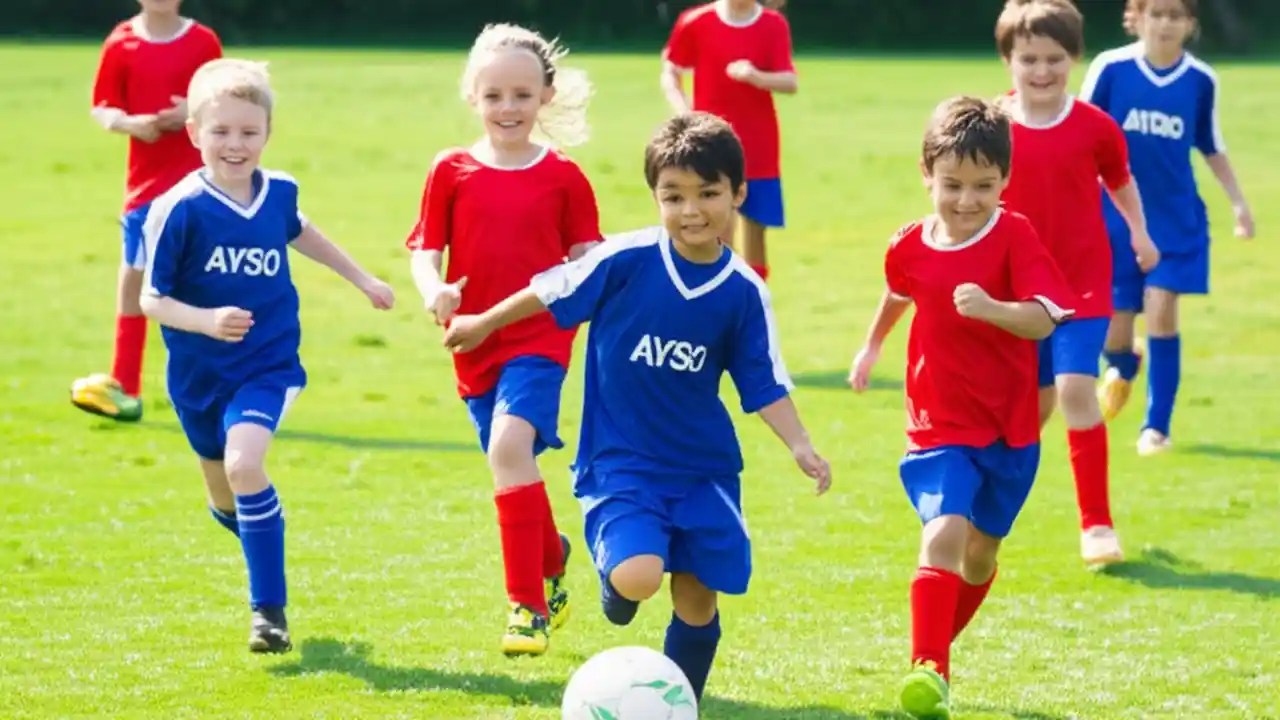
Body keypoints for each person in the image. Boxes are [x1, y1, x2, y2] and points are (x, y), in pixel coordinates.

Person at [443, 112, 831, 702]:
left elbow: (764, 382)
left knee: (698, 595)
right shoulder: (625, 260)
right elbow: (551, 290)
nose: (691, 210)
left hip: (703, 469)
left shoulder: (744, 291)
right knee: (639, 576)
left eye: (708, 194)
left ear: (738, 194)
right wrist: (484, 322)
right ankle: (614, 583)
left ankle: (682, 705)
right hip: (621, 462)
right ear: (655, 197)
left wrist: (800, 444)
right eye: (673, 196)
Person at [140, 58, 395, 653]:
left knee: (245, 465)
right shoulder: (178, 209)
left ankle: (269, 614)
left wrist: (363, 279)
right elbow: (153, 300)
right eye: (221, 132)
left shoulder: (278, 191)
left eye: (248, 133)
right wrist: (205, 320)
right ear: (194, 133)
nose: (235, 145)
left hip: (267, 365)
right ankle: (261, 530)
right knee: (226, 496)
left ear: (267, 134)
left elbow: (300, 229)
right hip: (198, 376)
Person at [848, 96, 1076, 720]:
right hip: (938, 423)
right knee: (943, 531)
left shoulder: (1016, 235)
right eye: (952, 185)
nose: (967, 200)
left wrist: (995, 309)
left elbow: (1044, 319)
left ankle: (933, 651)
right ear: (927, 175)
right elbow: (899, 292)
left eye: (984, 185)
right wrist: (871, 346)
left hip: (1008, 428)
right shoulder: (909, 245)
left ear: (1005, 181)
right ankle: (928, 673)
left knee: (980, 555)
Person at [405, 23, 602, 657]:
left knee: (508, 446)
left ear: (546, 95)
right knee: (506, 460)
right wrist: (432, 290)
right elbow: (423, 249)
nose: (508, 108)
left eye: (521, 94)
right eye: (494, 96)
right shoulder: (450, 169)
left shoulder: (565, 176)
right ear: (473, 96)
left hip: (541, 338)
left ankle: (526, 606)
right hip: (469, 342)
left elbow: (586, 257)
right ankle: (552, 553)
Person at [994, 0, 1160, 568]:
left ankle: (1097, 526)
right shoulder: (993, 127)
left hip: (1081, 285)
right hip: (1014, 290)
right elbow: (963, 193)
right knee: (1023, 412)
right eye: (1029, 59)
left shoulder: (1094, 126)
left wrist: (1139, 233)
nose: (1042, 71)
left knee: (1073, 388)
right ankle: (986, 510)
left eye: (1055, 60)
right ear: (1009, 61)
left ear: (1074, 59)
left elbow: (1121, 180)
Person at [1081, 0, 1255, 455]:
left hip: (1175, 222)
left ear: (1190, 25)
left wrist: (1238, 203)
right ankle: (1124, 361)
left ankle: (1156, 427)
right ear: (1135, 18)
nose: (1165, 23)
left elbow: (1211, 146)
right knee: (1113, 330)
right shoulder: (1111, 69)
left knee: (1161, 308)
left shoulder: (1200, 80)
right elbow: (1079, 134)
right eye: (1155, 13)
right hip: (1114, 221)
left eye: (1176, 15)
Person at [71, 0, 223, 421]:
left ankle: (216, 387)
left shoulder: (202, 42)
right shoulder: (121, 41)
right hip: (144, 186)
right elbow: (103, 106)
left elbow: (227, 102)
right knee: (134, 278)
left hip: (198, 184)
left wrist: (188, 113)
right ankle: (125, 387)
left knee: (203, 285)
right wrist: (131, 123)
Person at [660, 0, 798, 282]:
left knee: (757, 232)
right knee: (718, 227)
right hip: (711, 145)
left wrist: (756, 76)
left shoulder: (772, 24)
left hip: (759, 145)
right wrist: (684, 110)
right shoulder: (696, 21)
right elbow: (671, 69)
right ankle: (722, 293)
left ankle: (756, 299)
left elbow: (790, 81)